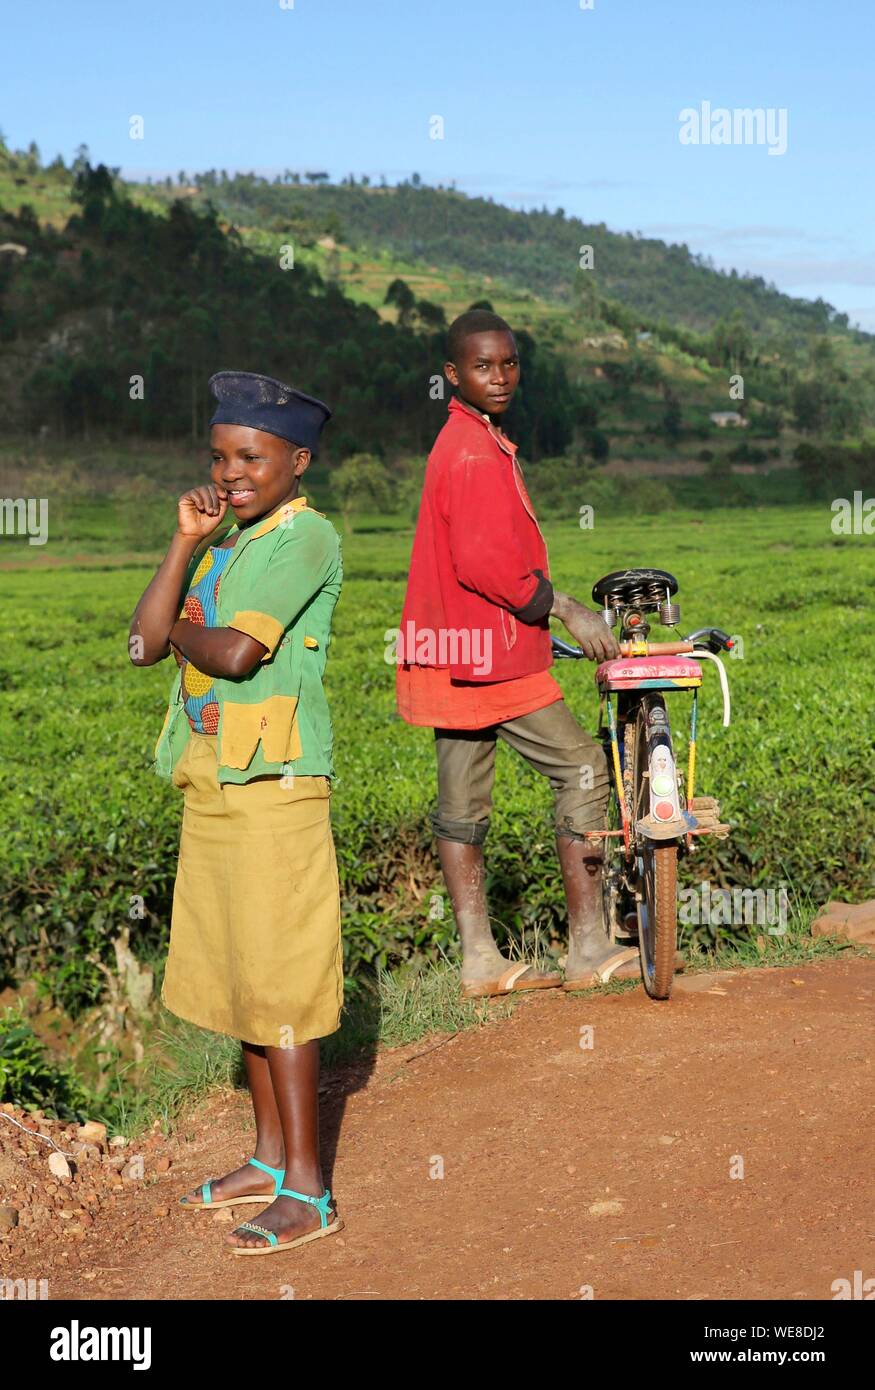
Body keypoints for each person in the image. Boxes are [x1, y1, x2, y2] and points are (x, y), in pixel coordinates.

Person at [129, 371, 345, 1256]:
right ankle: (265, 1159)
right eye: (218, 456)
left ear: (297, 460)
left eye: (251, 456)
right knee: (246, 979)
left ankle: (309, 1189)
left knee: (285, 984)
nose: (231, 472)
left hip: (277, 784)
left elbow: (237, 651)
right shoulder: (222, 543)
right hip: (214, 779)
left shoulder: (308, 537)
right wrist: (183, 547)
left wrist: (182, 628)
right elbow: (142, 642)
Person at [396, 310, 652, 997]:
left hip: (451, 649)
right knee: (582, 771)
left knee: (460, 805)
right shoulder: (473, 451)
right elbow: (487, 565)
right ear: (453, 375)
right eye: (483, 366)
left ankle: (478, 961)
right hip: (490, 658)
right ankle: (589, 945)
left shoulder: (464, 438)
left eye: (508, 363)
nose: (500, 376)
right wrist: (564, 605)